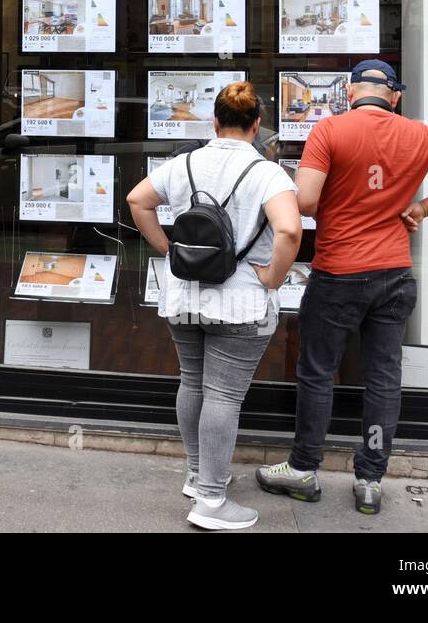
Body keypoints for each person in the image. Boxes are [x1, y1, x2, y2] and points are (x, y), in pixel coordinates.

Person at [256, 61, 428, 515]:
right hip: (395, 273)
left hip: (338, 272)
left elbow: (305, 202)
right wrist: (423, 207)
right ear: (395, 97)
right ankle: (369, 479)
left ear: (350, 93)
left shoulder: (330, 132)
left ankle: (304, 469)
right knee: (383, 378)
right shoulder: (423, 136)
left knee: (317, 371)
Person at [128, 82, 302, 531]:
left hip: (184, 296)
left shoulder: (183, 163)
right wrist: (274, 277)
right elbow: (289, 231)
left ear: (215, 121)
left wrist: (168, 249)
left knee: (193, 383)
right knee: (223, 395)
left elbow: (136, 200)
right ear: (258, 125)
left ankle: (196, 475)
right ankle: (210, 500)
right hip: (241, 303)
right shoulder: (267, 173)